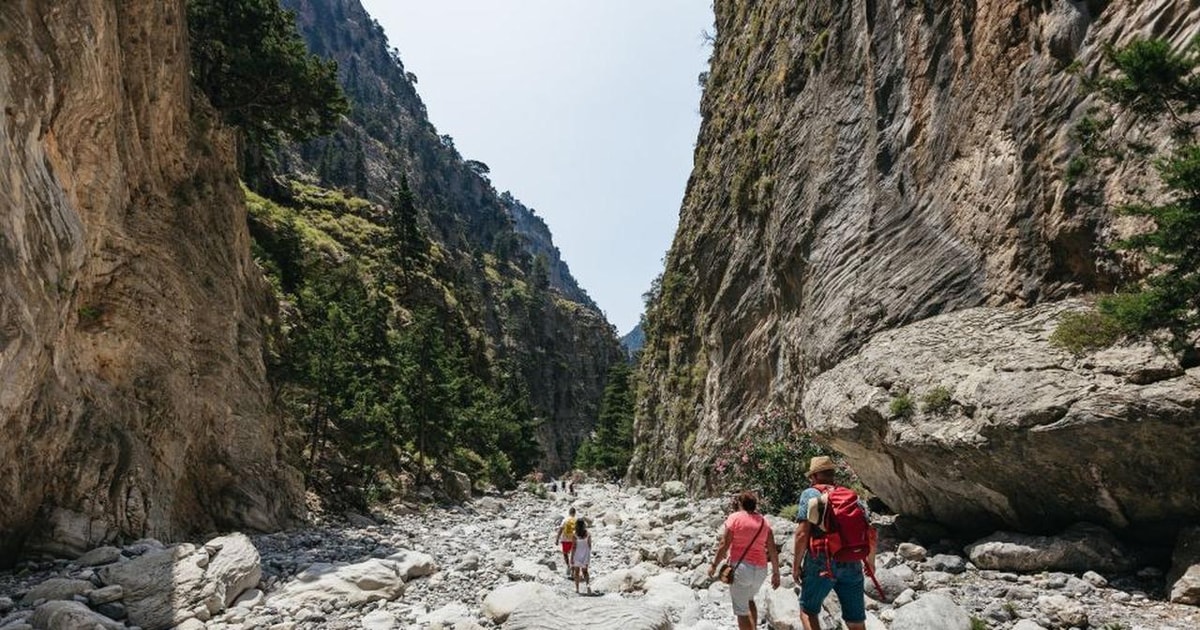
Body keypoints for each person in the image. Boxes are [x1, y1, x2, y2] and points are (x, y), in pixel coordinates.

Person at [792, 456, 875, 630]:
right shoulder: (851, 496)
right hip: (852, 560)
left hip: (821, 562)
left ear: (813, 476)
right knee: (855, 620)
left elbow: (802, 533)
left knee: (808, 610)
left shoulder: (810, 494)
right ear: (832, 474)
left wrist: (796, 566)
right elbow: (870, 532)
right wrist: (871, 563)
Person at [708, 490, 781, 630]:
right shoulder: (764, 522)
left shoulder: (735, 518)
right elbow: (772, 549)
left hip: (741, 569)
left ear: (740, 504)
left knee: (741, 612)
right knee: (749, 599)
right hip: (761, 570)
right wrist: (776, 573)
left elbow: (724, 544)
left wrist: (714, 565)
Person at [554, 507, 578, 577]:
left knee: (565, 553)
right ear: (574, 513)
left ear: (569, 513)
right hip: (574, 540)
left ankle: (568, 566)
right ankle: (573, 572)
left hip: (565, 540)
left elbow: (561, 530)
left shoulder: (565, 520)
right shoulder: (576, 520)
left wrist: (557, 539)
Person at [571, 517, 592, 594]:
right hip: (585, 554)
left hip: (577, 554)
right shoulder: (588, 534)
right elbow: (590, 545)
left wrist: (572, 557)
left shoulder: (574, 534)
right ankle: (588, 585)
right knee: (585, 571)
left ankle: (577, 589)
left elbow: (573, 547)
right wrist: (587, 552)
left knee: (577, 572)